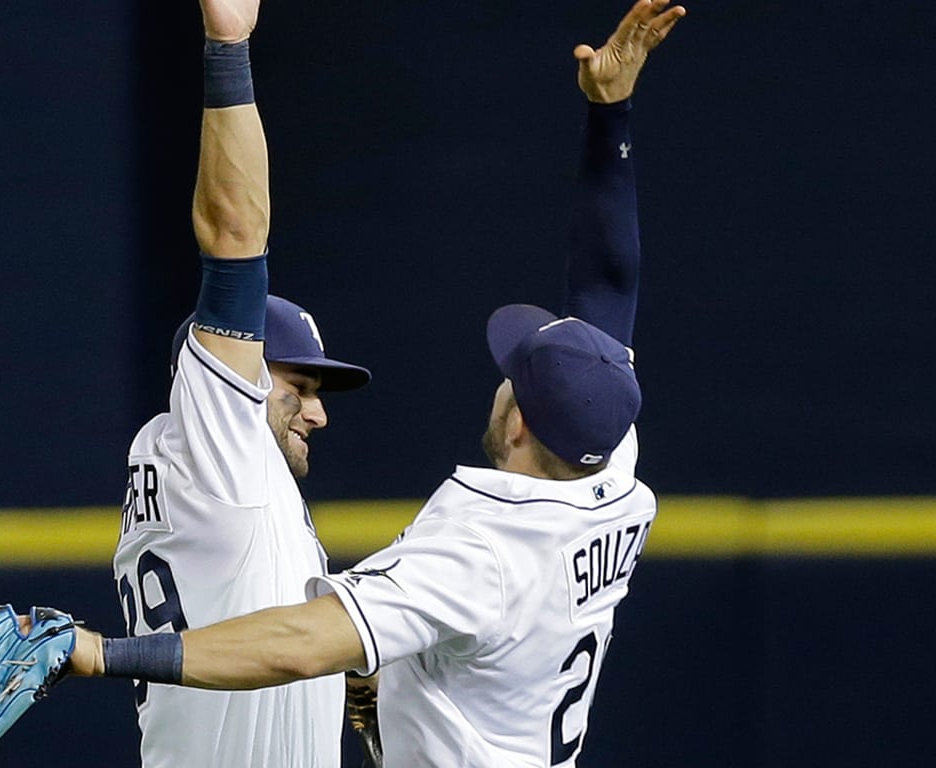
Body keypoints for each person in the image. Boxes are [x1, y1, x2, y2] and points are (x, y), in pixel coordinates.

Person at [72, 1, 686, 765]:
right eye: (300, 385)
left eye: (513, 375)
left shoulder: (477, 552)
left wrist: (101, 653)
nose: (319, 414)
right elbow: (605, 303)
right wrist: (611, 117)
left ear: (522, 423)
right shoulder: (610, 477)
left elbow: (303, 644)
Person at [111, 0, 370, 763]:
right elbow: (234, 235)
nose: (318, 414)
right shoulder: (223, 451)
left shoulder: (179, 462)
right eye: (301, 387)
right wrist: (229, 46)